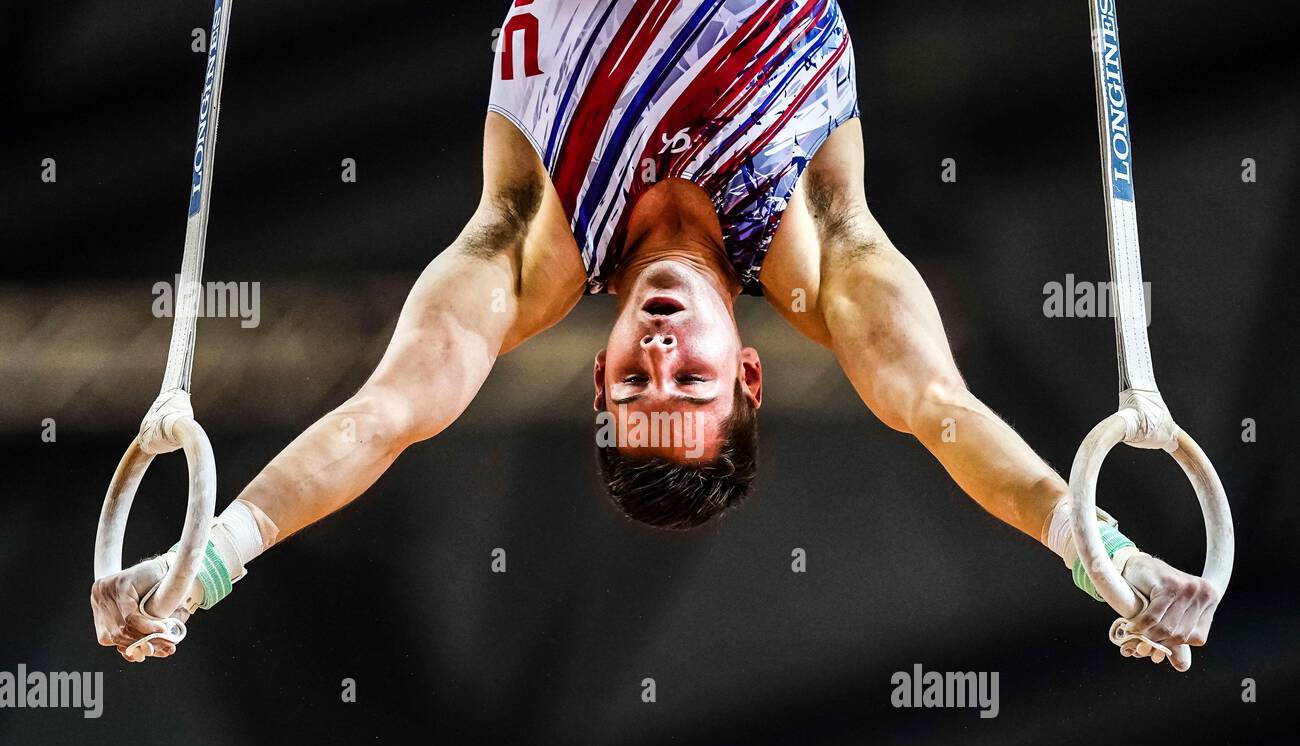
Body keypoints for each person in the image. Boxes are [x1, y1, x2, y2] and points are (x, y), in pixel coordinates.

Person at [90, 0, 1220, 669]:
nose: (665, 345)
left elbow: (383, 417)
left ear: (596, 367)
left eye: (637, 377)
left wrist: (211, 559)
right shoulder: (823, 252)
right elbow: (945, 416)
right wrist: (1105, 556)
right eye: (692, 380)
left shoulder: (524, 242)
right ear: (750, 374)